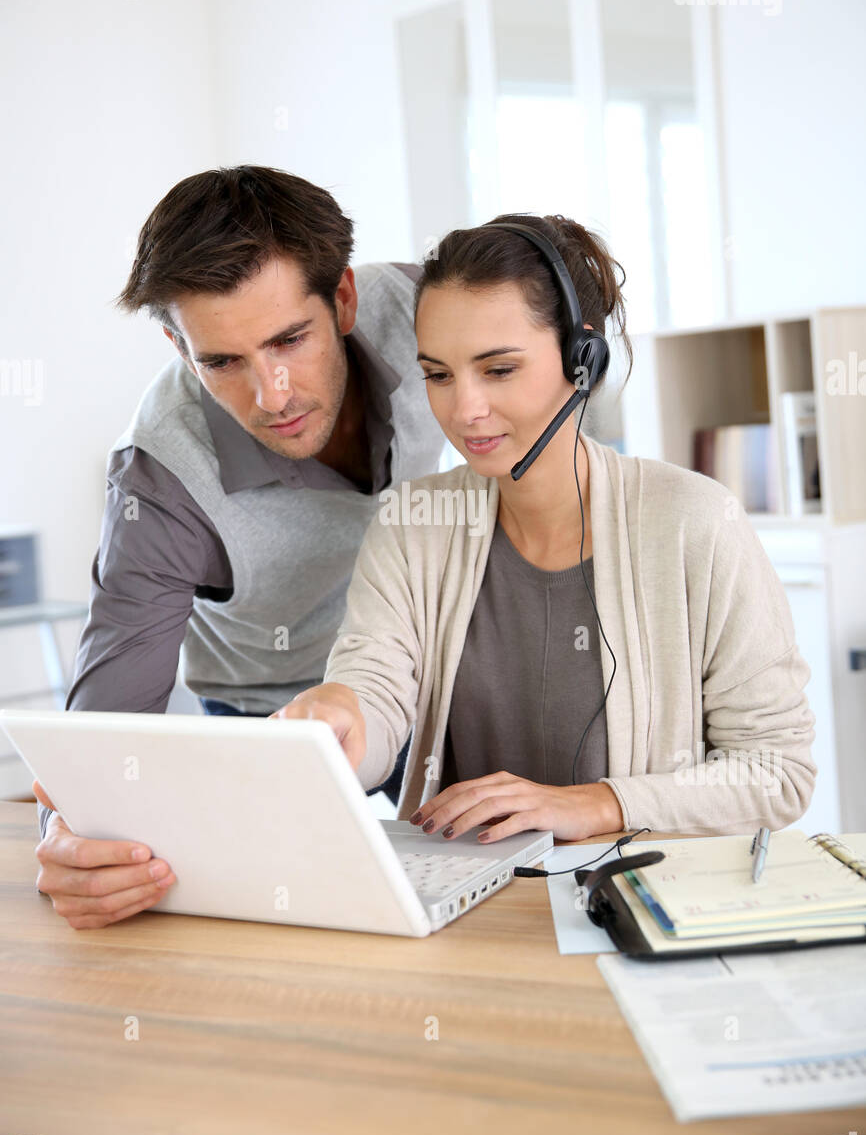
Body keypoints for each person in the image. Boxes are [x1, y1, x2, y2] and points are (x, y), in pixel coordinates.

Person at [272, 212, 817, 844]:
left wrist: (594, 805)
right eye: (439, 375)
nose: (465, 409)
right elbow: (377, 689)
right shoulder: (412, 525)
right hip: (473, 913)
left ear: (581, 359)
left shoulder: (695, 520)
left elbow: (777, 769)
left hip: (642, 903)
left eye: (499, 370)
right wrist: (344, 713)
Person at [33, 166, 445, 928]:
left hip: (420, 669)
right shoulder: (161, 480)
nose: (273, 394)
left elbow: (553, 308)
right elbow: (100, 736)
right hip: (274, 717)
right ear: (179, 349)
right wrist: (70, 843)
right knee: (290, 929)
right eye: (221, 361)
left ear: (345, 298)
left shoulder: (434, 310)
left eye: (290, 338)